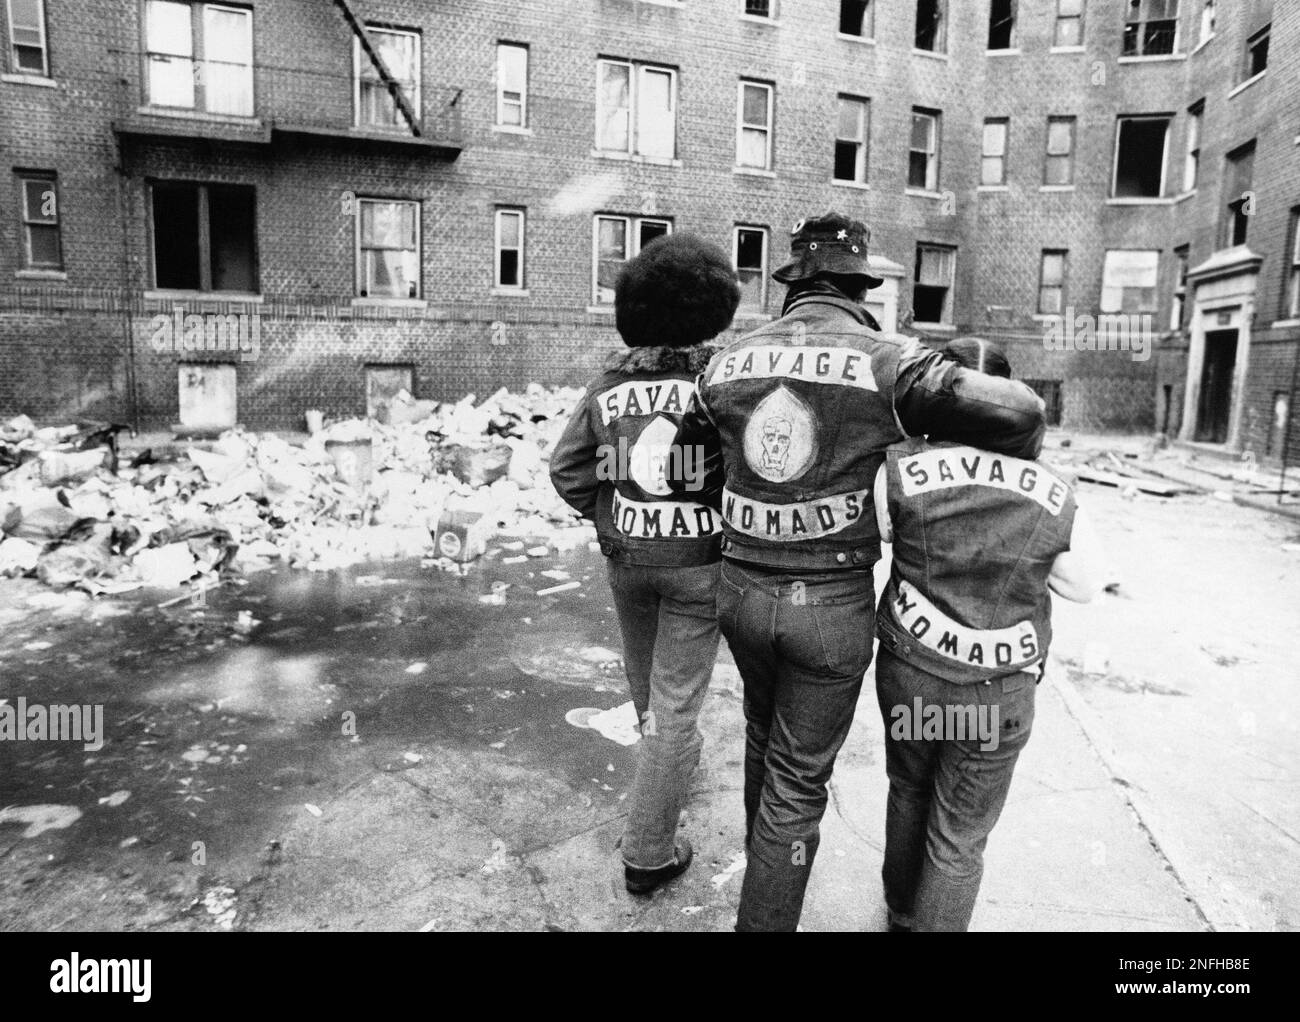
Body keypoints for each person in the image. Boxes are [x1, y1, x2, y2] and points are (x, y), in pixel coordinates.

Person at [672, 212, 1048, 932]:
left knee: (762, 736)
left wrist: (741, 496)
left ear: (793, 283)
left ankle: (764, 872)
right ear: (857, 284)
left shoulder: (724, 360)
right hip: (828, 606)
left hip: (740, 589)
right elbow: (1017, 409)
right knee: (798, 780)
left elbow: (680, 473)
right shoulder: (891, 360)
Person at [872, 337, 1104, 932]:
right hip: (995, 694)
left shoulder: (898, 465)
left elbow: (882, 537)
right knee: (959, 838)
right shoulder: (1052, 490)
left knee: (908, 789)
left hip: (914, 675)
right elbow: (1082, 588)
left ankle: (900, 911)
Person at [549, 232, 740, 895]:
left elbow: (568, 470)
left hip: (629, 558)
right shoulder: (721, 384)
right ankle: (650, 852)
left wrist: (611, 513)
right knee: (676, 706)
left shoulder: (610, 384)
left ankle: (669, 764)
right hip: (698, 565)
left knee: (648, 696)